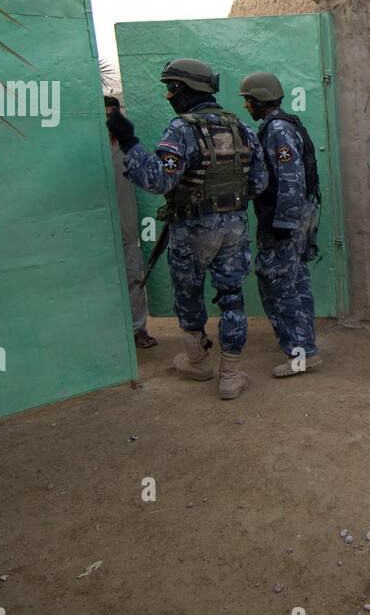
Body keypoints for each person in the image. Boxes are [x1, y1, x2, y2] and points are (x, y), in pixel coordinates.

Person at [106, 58, 267, 399]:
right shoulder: (242, 127)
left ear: (184, 90)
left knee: (189, 295)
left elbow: (157, 178)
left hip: (193, 229)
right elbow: (260, 181)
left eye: (170, 88)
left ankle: (198, 363)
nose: (167, 96)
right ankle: (230, 376)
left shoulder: (182, 129)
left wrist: (129, 142)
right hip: (234, 228)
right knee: (233, 300)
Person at [241, 71, 324, 378]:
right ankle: (306, 349)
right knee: (297, 282)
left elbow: (290, 178)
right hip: (297, 217)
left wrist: (283, 223)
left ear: (257, 99)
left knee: (279, 285)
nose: (246, 107)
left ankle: (300, 355)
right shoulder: (286, 124)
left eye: (248, 100)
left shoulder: (276, 129)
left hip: (284, 220)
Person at [105, 95, 156, 349]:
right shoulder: (93, 148)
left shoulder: (127, 149)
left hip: (127, 228)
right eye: (104, 116)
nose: (109, 121)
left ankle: (138, 330)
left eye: (113, 115)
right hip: (97, 229)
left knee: (133, 279)